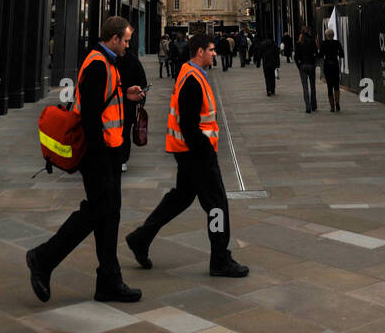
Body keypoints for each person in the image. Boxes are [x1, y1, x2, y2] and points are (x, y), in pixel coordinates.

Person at [26, 16, 144, 305]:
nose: (128, 46)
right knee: (97, 211)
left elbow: (104, 104)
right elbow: (90, 117)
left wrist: (125, 96)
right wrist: (99, 157)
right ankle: (43, 257)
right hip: (98, 154)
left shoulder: (108, 63)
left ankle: (109, 281)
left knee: (109, 213)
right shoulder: (97, 64)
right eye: (126, 40)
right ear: (113, 38)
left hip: (110, 151)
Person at [125, 32, 248, 279]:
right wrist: (205, 152)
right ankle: (220, 258)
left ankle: (140, 237)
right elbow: (189, 125)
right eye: (212, 50)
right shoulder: (192, 80)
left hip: (188, 152)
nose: (215, 53)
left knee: (180, 197)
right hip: (197, 154)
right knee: (217, 206)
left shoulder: (190, 73)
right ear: (199, 52)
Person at [118, 41, 147, 170]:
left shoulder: (132, 61)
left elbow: (142, 82)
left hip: (128, 106)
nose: (128, 45)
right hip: (113, 106)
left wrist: (140, 103)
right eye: (125, 41)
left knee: (124, 133)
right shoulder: (106, 60)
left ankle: (122, 159)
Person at [320, 26, 345, 112]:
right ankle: (337, 102)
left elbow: (320, 55)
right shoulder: (337, 43)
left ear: (326, 36)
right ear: (333, 35)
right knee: (336, 85)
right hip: (335, 65)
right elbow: (342, 54)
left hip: (327, 65)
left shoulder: (323, 43)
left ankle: (332, 106)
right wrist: (336, 53)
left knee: (329, 86)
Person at [295, 26, 318, 113]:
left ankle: (307, 106)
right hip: (311, 65)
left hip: (303, 65)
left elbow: (296, 56)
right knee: (313, 86)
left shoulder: (299, 42)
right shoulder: (312, 41)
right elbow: (316, 53)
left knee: (305, 86)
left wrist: (299, 65)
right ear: (309, 32)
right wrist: (315, 63)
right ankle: (314, 105)